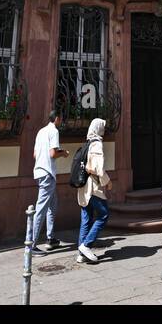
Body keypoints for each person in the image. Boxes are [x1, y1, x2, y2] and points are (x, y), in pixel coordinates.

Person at [28, 111, 69, 251]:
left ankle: (50, 238)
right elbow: (52, 154)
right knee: (41, 208)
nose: (61, 121)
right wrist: (63, 153)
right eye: (61, 119)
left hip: (40, 171)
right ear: (56, 119)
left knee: (53, 205)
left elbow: (35, 154)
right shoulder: (54, 131)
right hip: (47, 173)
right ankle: (31, 244)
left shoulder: (40, 132)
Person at [76, 117, 112, 263]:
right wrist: (107, 182)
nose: (103, 130)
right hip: (92, 187)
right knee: (103, 214)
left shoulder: (87, 143)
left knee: (86, 218)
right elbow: (98, 168)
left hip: (83, 187)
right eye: (102, 127)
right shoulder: (97, 144)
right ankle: (86, 245)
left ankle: (81, 253)